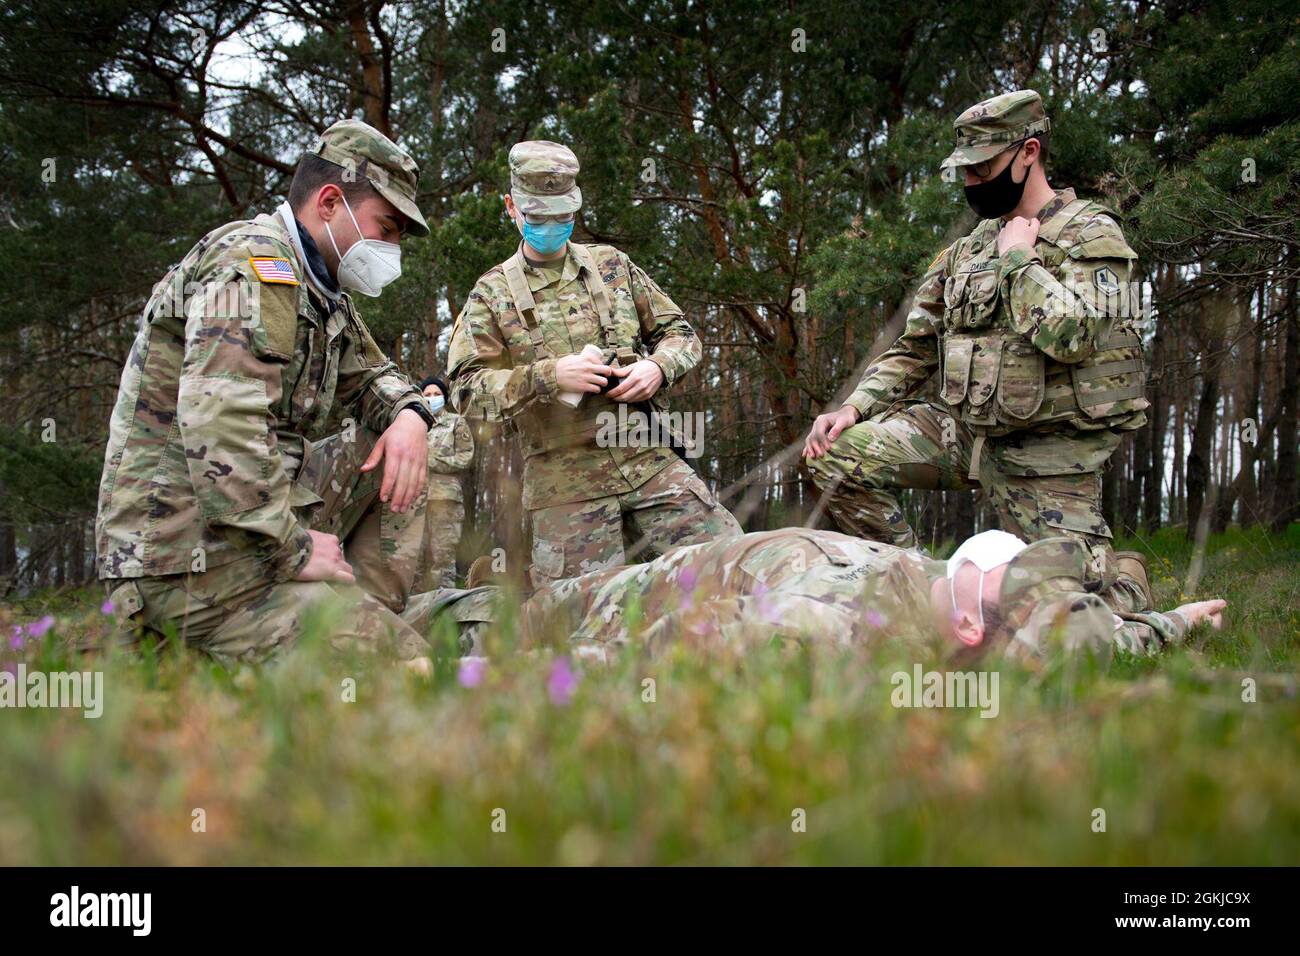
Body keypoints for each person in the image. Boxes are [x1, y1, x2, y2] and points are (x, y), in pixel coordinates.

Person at [94, 119, 442, 664]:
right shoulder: (255, 265)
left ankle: (362, 607)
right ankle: (332, 626)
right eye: (387, 227)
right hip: (185, 557)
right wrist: (292, 549)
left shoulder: (318, 289)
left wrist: (411, 417)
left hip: (245, 535)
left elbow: (377, 378)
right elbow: (220, 423)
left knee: (424, 439)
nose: (392, 248)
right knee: (404, 671)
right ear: (330, 202)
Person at [803, 90, 1151, 613]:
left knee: (1075, 616)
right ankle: (926, 595)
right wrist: (854, 407)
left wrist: (1018, 262)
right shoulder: (966, 250)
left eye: (982, 168)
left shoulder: (1091, 233)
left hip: (1046, 450)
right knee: (837, 456)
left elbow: (1074, 337)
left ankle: (1126, 576)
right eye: (964, 171)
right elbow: (916, 346)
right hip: (964, 434)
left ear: (1028, 152)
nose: (970, 183)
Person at [446, 140, 741, 589]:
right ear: (511, 206)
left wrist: (658, 368)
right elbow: (466, 392)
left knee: (731, 571)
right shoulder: (490, 294)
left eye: (562, 216)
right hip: (564, 485)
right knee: (584, 615)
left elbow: (682, 334)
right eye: (538, 217)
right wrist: (549, 376)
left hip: (649, 461)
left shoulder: (612, 266)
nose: (551, 227)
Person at [410, 529, 1223, 662]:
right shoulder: (832, 632)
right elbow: (626, 660)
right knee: (486, 625)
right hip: (651, 592)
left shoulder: (965, 592)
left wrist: (1174, 622)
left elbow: (1108, 638)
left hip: (733, 565)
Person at [416, 374, 473, 589]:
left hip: (445, 499)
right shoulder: (415, 425)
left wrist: (431, 460)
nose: (432, 398)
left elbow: (465, 457)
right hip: (415, 499)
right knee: (414, 560)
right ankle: (413, 613)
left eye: (437, 394)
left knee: (443, 558)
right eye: (427, 394)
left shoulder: (456, 422)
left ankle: (444, 614)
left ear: (445, 397)